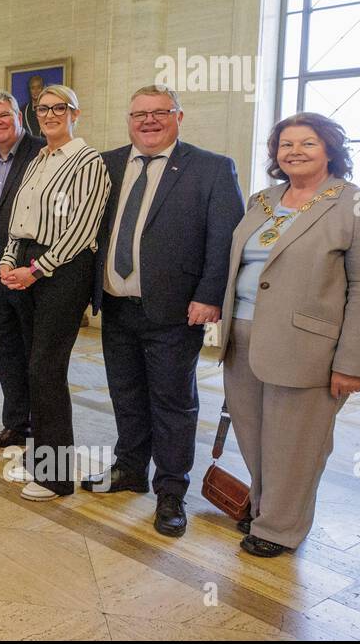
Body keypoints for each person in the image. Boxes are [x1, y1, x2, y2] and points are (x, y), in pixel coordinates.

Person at [217, 112, 360, 557]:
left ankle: (279, 528)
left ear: (330, 149)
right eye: (286, 144)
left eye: (307, 143)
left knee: (295, 444)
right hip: (242, 336)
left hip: (308, 346)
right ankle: (265, 508)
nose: (294, 151)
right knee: (253, 436)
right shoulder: (262, 200)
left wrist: (351, 363)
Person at [84, 85, 243, 537]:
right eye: (139, 114)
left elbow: (225, 239)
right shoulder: (108, 164)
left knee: (173, 402)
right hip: (117, 305)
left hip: (175, 311)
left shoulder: (211, 168)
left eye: (160, 112)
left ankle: (171, 490)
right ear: (129, 120)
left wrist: (209, 295)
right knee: (126, 393)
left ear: (179, 117)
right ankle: (130, 468)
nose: (149, 121)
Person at [0, 85, 109, 500]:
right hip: (28, 261)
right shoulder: (38, 160)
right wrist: (9, 260)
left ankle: (56, 476)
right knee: (34, 367)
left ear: (75, 113)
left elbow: (82, 229)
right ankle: (40, 458)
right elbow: (19, 219)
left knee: (47, 369)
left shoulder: (88, 161)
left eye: (59, 108)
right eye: (42, 109)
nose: (49, 115)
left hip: (63, 269)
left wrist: (36, 270)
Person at [0, 92, 44, 449]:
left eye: (3, 115)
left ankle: (45, 432)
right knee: (7, 354)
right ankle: (16, 425)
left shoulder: (42, 154)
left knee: (38, 358)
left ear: (18, 115)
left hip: (32, 277)